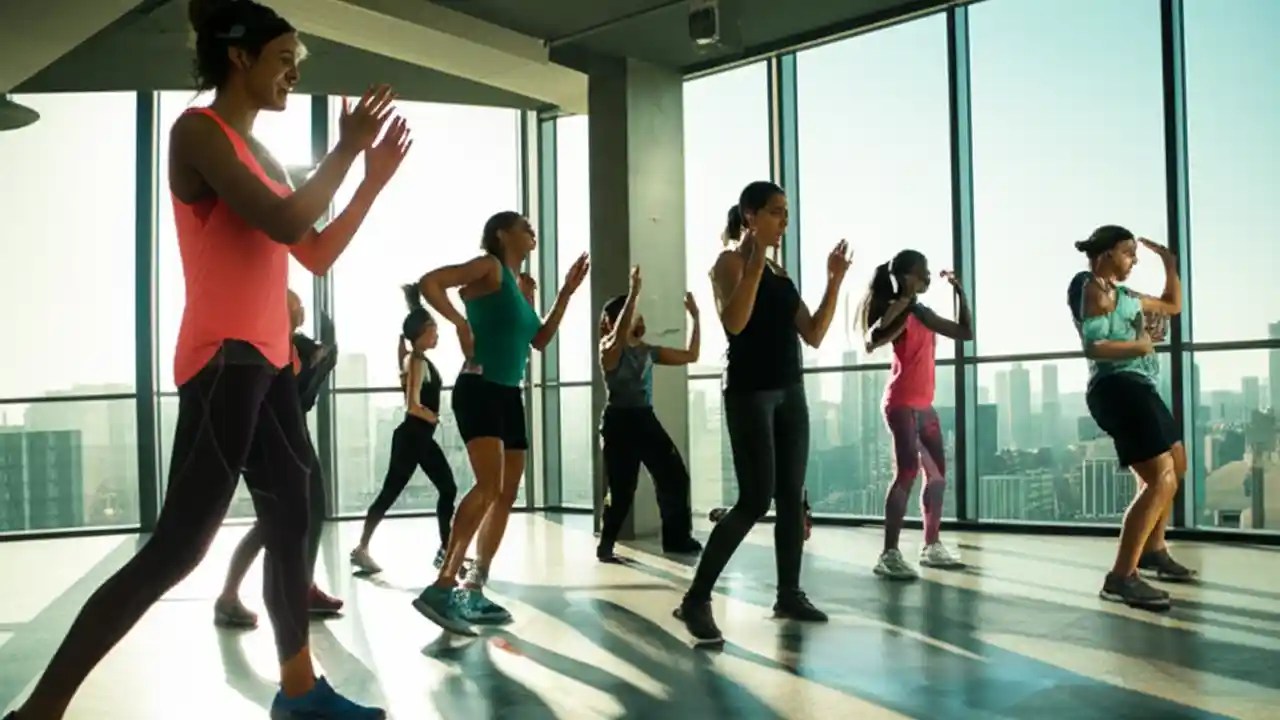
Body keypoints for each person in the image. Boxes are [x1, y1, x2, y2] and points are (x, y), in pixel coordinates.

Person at [4, 0, 411, 716]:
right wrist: (346, 150)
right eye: (284, 59)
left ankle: (300, 693)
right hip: (225, 360)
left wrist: (372, 178)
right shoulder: (199, 132)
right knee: (178, 549)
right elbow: (287, 222)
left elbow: (312, 253)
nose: (293, 73)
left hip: (272, 363)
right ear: (239, 57)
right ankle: (39, 711)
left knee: (293, 516)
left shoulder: (267, 157)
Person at [675, 183, 852, 645]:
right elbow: (735, 322)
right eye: (776, 213)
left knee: (791, 496)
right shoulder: (729, 263)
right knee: (755, 499)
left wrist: (834, 281)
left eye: (787, 213)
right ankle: (696, 599)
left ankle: (789, 593)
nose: (784, 221)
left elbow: (812, 332)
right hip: (750, 392)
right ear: (750, 216)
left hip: (790, 390)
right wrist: (754, 258)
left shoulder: (778, 271)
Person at [412, 212, 589, 634]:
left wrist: (565, 292)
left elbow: (539, 339)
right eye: (526, 226)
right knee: (488, 486)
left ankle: (473, 587)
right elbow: (430, 282)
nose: (533, 232)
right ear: (501, 234)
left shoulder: (517, 287)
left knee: (506, 493)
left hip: (509, 393)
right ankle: (442, 585)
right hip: (480, 387)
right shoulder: (489, 267)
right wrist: (458, 323)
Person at [1069, 225, 1195, 610]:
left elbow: (1172, 306)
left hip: (1141, 385)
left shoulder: (1125, 296)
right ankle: (1120, 577)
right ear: (1106, 253)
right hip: (1116, 388)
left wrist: (1170, 265)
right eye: (1128, 253)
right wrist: (1142, 342)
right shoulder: (1090, 286)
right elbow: (1095, 347)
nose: (1134, 260)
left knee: (1177, 464)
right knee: (1160, 477)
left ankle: (1153, 550)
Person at [214, 290, 343, 629]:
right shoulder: (259, 350)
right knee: (269, 523)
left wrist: (322, 360)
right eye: (292, 305)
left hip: (297, 436)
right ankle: (229, 597)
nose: (299, 309)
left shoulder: (300, 347)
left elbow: (308, 389)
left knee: (313, 510)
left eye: (299, 305)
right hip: (265, 442)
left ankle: (303, 587)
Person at [859, 251, 971, 580]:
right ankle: (889, 554)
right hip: (901, 404)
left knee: (937, 477)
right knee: (907, 471)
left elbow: (965, 332)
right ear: (907, 276)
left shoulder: (922, 312)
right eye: (922, 273)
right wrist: (903, 309)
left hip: (924, 405)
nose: (926, 279)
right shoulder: (900, 308)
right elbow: (873, 340)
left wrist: (960, 292)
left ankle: (931, 546)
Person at [596, 265, 703, 562]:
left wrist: (696, 318)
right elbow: (617, 338)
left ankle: (677, 539)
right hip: (619, 422)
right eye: (634, 316)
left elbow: (691, 356)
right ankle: (606, 544)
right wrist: (633, 292)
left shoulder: (648, 351)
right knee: (621, 490)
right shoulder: (609, 348)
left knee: (674, 477)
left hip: (645, 419)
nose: (640, 320)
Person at [349, 284, 458, 574]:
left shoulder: (414, 357)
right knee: (393, 493)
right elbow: (412, 405)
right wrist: (433, 417)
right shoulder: (417, 361)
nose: (438, 333)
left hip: (417, 438)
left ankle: (446, 550)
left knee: (446, 488)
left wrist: (414, 304)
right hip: (413, 437)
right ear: (421, 334)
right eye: (433, 329)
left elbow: (411, 336)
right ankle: (362, 549)